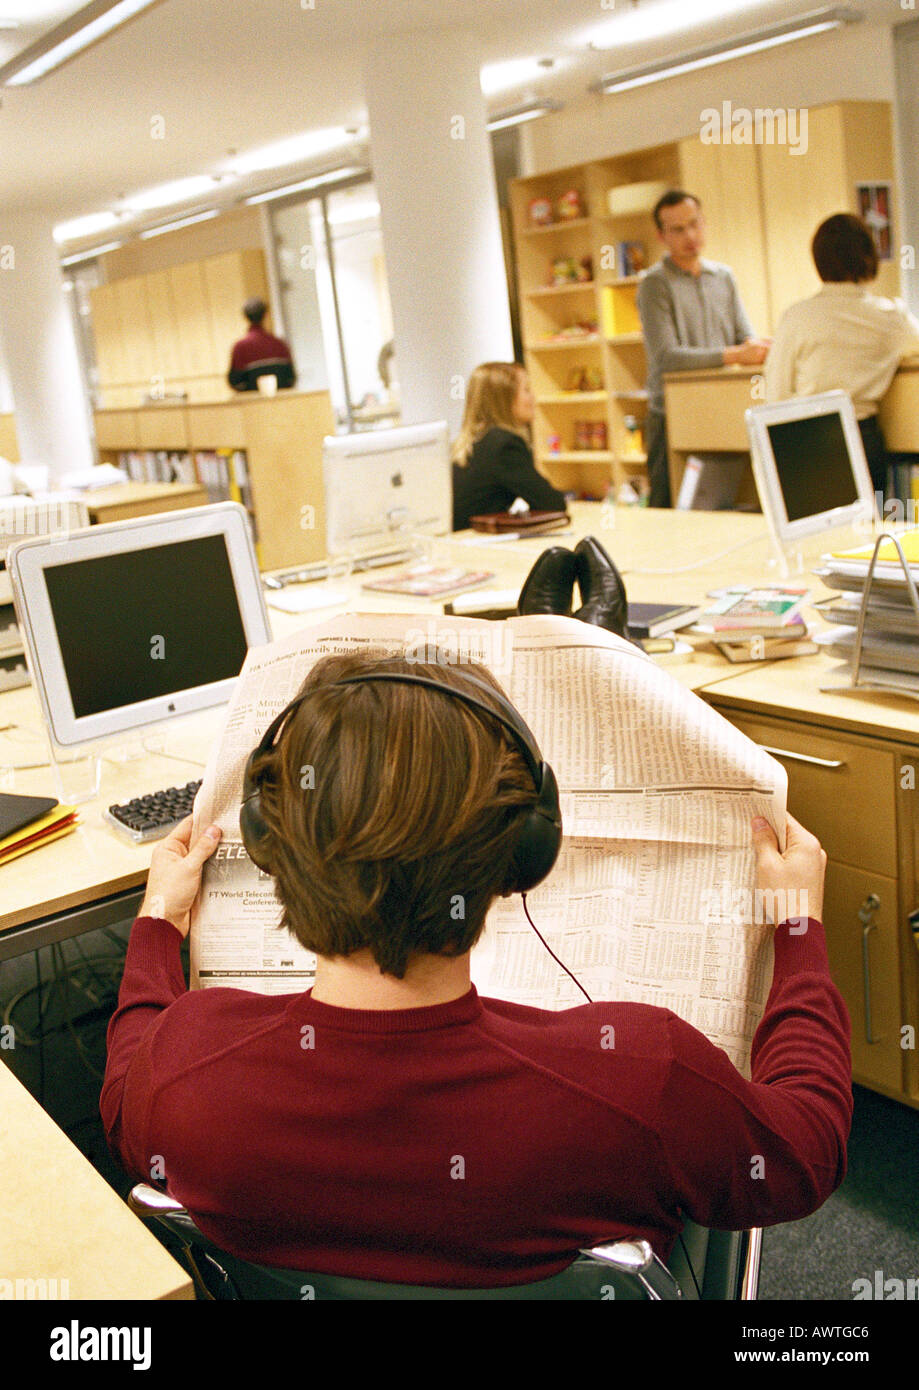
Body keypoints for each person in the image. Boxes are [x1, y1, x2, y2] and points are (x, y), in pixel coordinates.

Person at [101, 649, 851, 1289]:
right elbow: (806, 1149)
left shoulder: (179, 1067)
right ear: (522, 850)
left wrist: (158, 922)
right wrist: (795, 924)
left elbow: (130, 1057)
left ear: (268, 841)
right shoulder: (641, 1077)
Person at [765, 213, 919, 494]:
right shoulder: (891, 317)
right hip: (863, 436)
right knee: (868, 533)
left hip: (807, 437)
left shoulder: (797, 317)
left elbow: (775, 394)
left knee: (813, 533)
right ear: (868, 257)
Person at [637, 190, 771, 508]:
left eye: (694, 224)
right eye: (678, 230)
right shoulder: (654, 283)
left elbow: (744, 336)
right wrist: (736, 355)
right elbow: (666, 357)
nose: (690, 236)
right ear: (662, 236)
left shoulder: (722, 276)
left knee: (727, 505)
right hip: (672, 413)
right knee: (669, 507)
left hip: (722, 408)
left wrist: (759, 348)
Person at [451, 361, 567, 530]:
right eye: (526, 390)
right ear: (504, 399)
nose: (533, 397)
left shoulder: (475, 441)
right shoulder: (503, 444)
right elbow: (552, 503)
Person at [227, 297, 296, 392]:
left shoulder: (240, 347)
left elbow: (235, 382)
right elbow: (291, 378)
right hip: (281, 401)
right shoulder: (280, 344)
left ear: (245, 316)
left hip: (253, 403)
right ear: (265, 314)